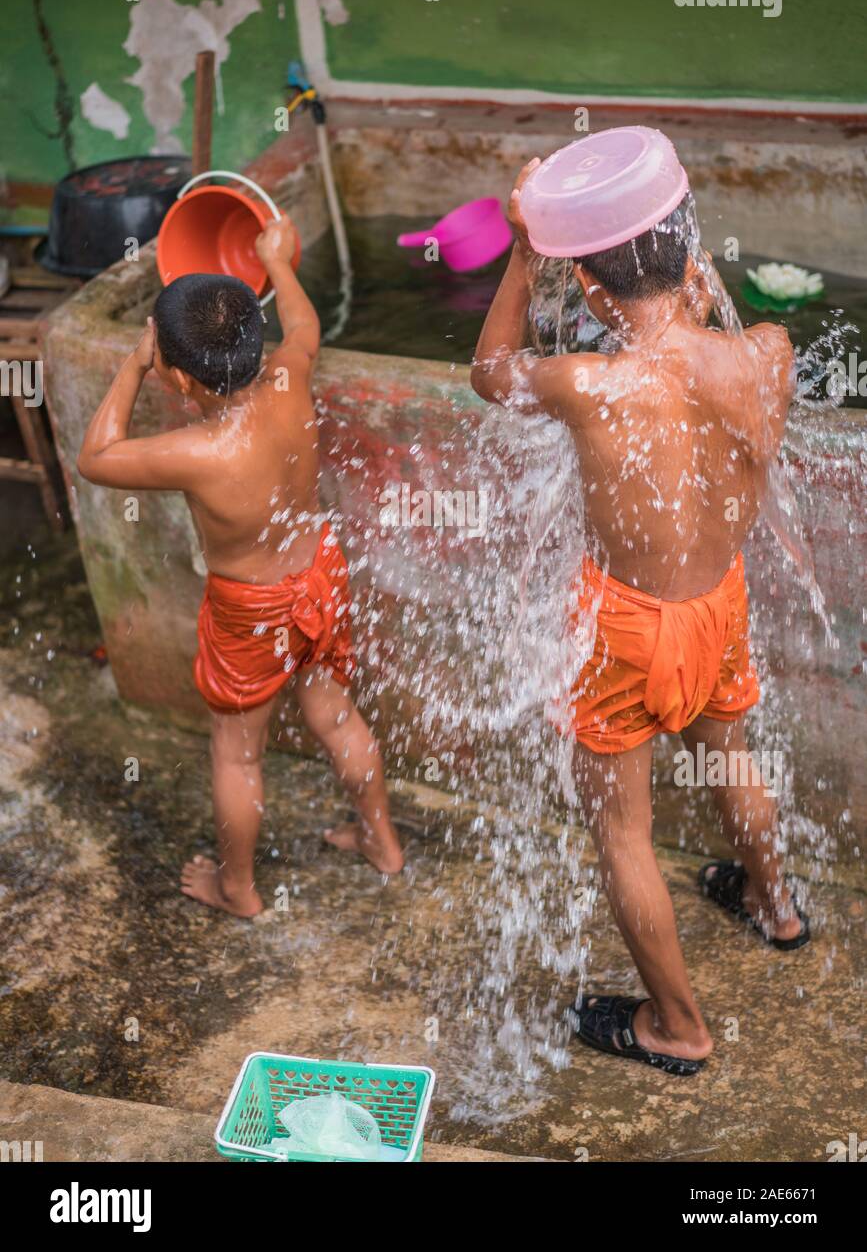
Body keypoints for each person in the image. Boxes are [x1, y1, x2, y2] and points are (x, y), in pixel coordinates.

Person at [470, 157, 808, 1075]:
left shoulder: (589, 384)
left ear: (583, 280)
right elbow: (704, 329)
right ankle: (776, 907)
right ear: (689, 256)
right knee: (728, 751)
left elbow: (492, 374)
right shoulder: (765, 353)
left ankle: (677, 1027)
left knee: (624, 833)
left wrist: (515, 250)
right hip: (718, 604)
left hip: (627, 630)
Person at [78, 215, 403, 917]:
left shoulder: (196, 450)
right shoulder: (288, 376)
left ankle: (239, 888)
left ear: (183, 379)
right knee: (336, 716)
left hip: (251, 610)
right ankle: (382, 842)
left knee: (237, 756)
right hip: (319, 571)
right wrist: (279, 261)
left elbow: (96, 456)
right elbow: (305, 326)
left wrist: (136, 362)